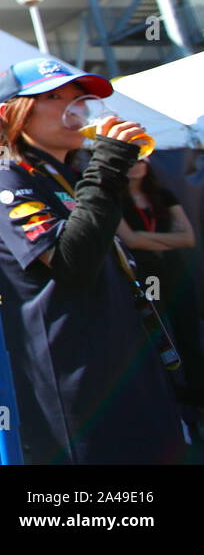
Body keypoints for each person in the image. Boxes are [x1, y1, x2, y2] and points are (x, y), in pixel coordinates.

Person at [0, 56, 185, 464]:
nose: (76, 108)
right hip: (72, 372)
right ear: (11, 113)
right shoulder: (6, 174)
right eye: (53, 97)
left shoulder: (69, 173)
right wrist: (108, 165)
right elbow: (72, 264)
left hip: (122, 357)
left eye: (80, 97)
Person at [118, 157, 203, 438]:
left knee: (189, 338)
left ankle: (197, 408)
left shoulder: (162, 195)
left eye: (142, 159)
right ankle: (173, 413)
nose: (137, 164)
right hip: (143, 278)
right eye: (131, 159)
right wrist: (160, 240)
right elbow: (130, 240)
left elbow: (188, 238)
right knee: (157, 341)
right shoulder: (112, 198)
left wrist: (147, 239)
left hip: (175, 276)